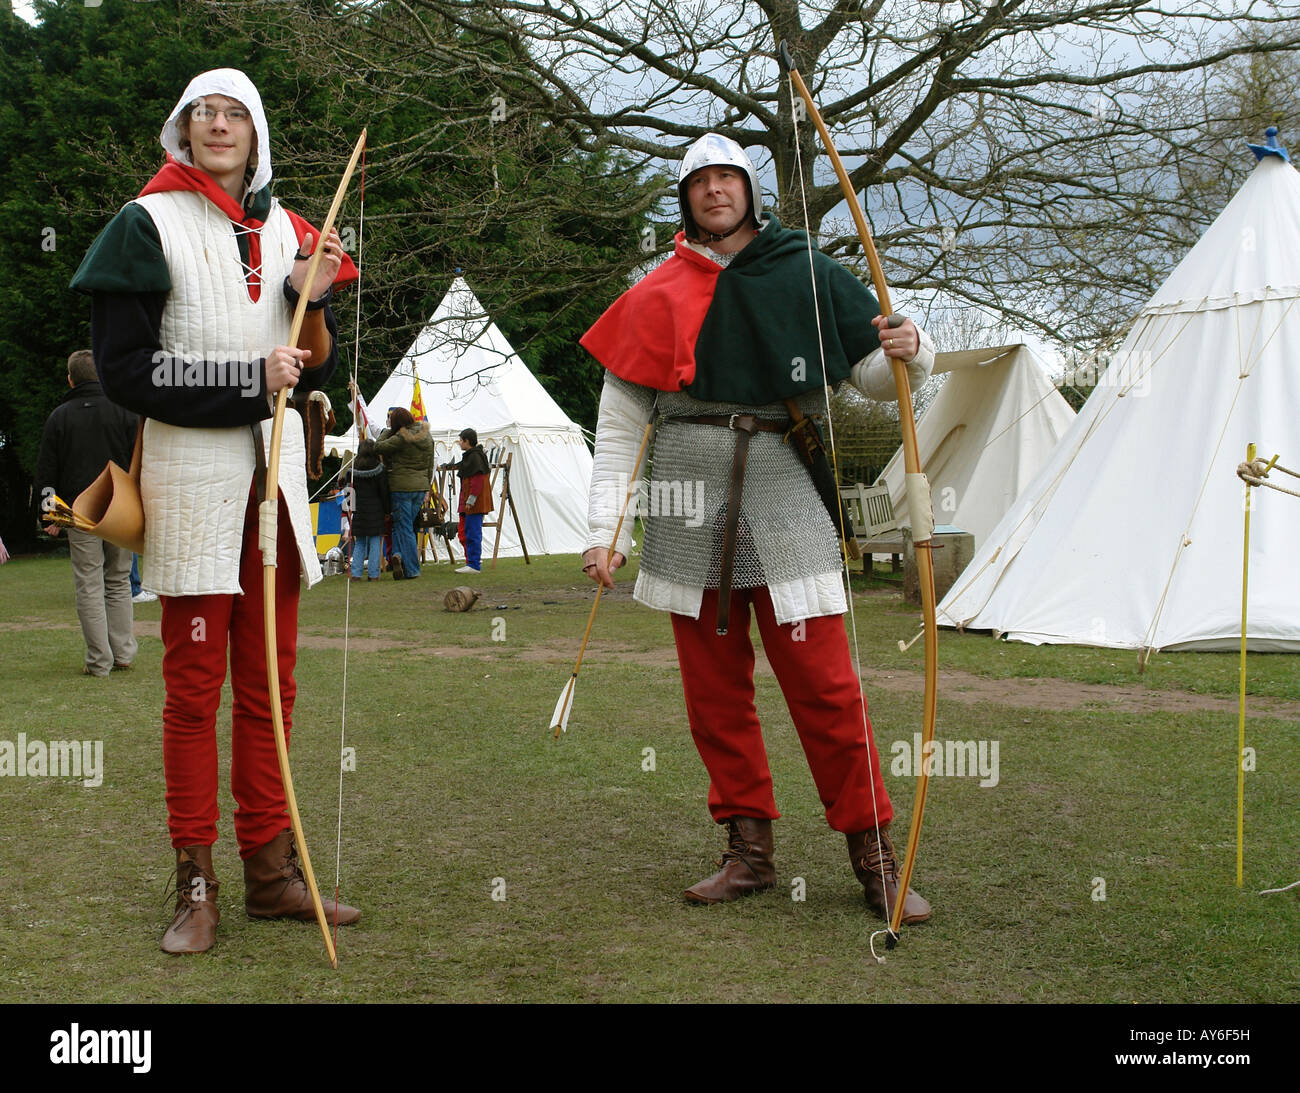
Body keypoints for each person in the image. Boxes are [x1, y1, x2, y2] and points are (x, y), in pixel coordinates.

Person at [580, 132, 935, 924]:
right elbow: (620, 417)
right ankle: (748, 851)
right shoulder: (657, 290)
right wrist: (606, 527)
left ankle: (875, 856)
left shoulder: (805, 269)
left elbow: (872, 372)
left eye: (726, 177)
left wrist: (913, 347)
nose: (714, 190)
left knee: (829, 689)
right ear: (686, 198)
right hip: (681, 498)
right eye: (699, 181)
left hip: (781, 485)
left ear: (749, 187)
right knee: (714, 694)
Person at [69, 68, 361, 954]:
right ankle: (198, 884)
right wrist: (245, 380)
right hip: (195, 482)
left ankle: (271, 874)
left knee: (272, 688)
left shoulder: (284, 230)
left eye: (237, 114)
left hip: (271, 486)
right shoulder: (144, 223)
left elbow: (307, 347)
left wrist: (305, 288)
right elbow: (125, 372)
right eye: (206, 113)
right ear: (182, 129)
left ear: (258, 133)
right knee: (195, 690)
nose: (220, 125)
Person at [35, 349, 140, 677]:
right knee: (119, 580)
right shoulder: (125, 410)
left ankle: (99, 660)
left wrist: (47, 515)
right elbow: (140, 463)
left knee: (89, 583)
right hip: (120, 507)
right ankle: (123, 652)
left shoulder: (60, 416)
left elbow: (47, 471)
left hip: (78, 513)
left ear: (71, 379)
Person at [375, 406, 434, 579]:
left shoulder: (401, 437)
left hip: (401, 487)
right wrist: (426, 486)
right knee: (404, 526)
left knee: (404, 527)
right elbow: (430, 464)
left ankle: (412, 569)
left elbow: (378, 447)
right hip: (420, 486)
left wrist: (386, 431)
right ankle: (399, 556)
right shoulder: (427, 435)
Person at [439, 427, 492, 574]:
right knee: (467, 531)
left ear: (466, 441)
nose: (459, 443)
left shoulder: (475, 457)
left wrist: (471, 499)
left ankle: (474, 565)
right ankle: (471, 562)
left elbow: (478, 480)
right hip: (469, 503)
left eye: (461, 440)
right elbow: (465, 469)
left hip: (474, 504)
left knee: (473, 533)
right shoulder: (471, 456)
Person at [340, 439, 389, 580]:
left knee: (360, 542)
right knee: (374, 541)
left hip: (359, 510)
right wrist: (387, 510)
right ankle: (373, 574)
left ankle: (356, 573)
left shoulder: (352, 471)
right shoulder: (380, 470)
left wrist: (350, 510)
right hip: (376, 510)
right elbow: (384, 492)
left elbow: (348, 492)